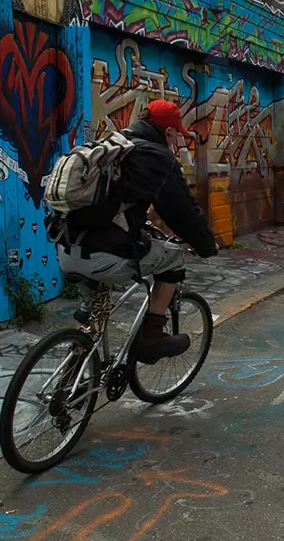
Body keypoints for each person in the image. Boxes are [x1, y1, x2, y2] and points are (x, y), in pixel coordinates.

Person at [58, 99, 216, 362]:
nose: (178, 141)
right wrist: (206, 245)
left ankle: (72, 375)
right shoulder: (155, 156)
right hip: (104, 256)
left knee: (94, 309)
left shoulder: (112, 144)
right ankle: (152, 337)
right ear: (168, 132)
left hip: (66, 248)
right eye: (178, 135)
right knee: (173, 259)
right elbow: (182, 211)